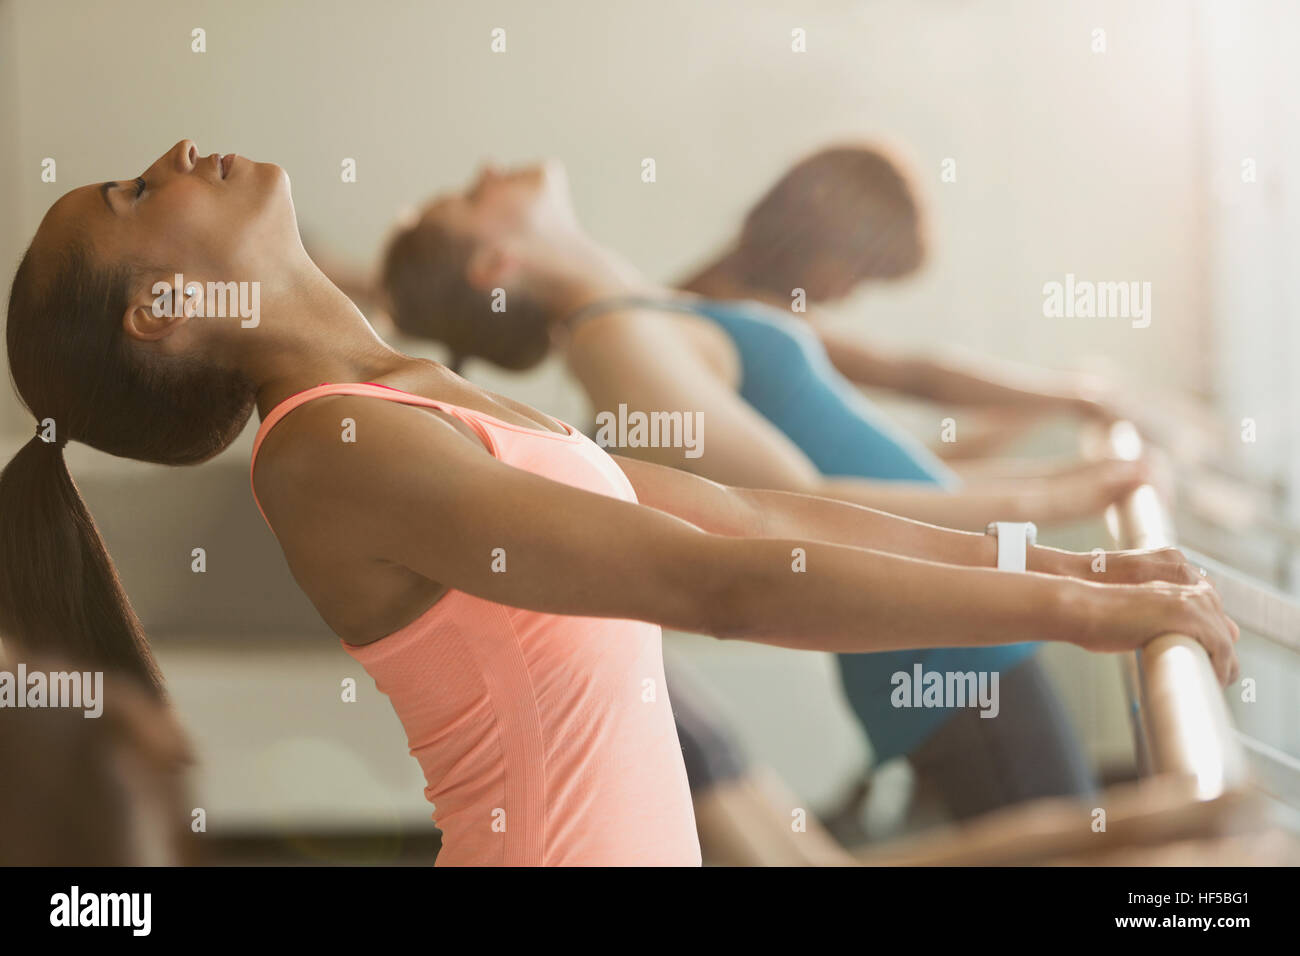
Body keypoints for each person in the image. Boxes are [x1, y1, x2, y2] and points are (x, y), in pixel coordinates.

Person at [1, 140, 1237, 867]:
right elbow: (720, 586)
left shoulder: (413, 393)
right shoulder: (323, 449)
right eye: (128, 197)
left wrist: (1079, 572)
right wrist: (1076, 613)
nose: (165, 158)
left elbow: (757, 521)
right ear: (160, 309)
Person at [376, 160, 1168, 820]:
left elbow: (862, 448)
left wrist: (1056, 485)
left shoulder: (643, 313)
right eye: (471, 199)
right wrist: (1055, 501)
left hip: (957, 621)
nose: (486, 173)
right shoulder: (616, 345)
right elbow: (812, 508)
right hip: (941, 638)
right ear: (495, 264)